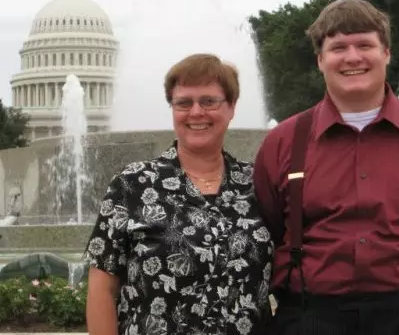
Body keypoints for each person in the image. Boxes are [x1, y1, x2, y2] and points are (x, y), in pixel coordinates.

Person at [253, 0, 399, 335]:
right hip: (309, 315)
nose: (353, 57)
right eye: (338, 47)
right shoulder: (283, 141)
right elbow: (267, 232)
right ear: (320, 59)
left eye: (365, 44)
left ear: (386, 53)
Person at [85, 53, 273, 335]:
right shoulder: (133, 185)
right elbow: (102, 287)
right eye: (184, 102)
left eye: (209, 101)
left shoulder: (258, 183)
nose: (196, 112)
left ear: (231, 107)